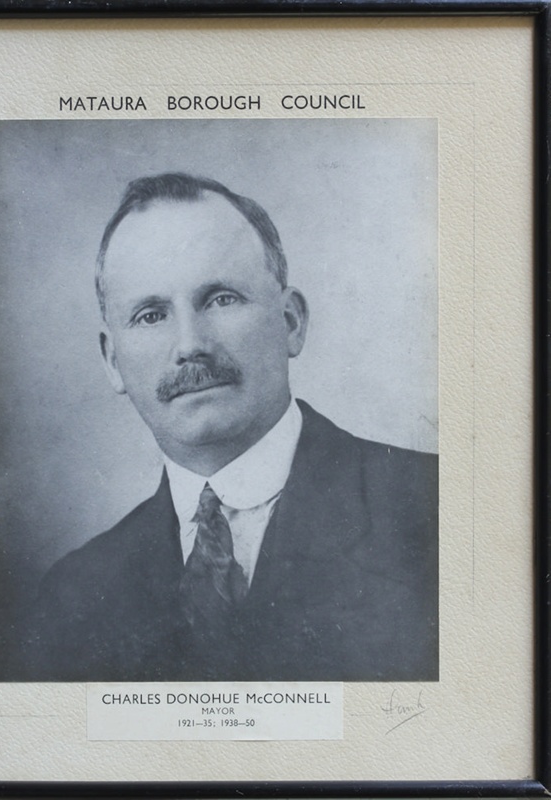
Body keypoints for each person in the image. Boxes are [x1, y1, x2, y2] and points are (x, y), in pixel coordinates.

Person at [26, 172, 438, 682]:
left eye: (220, 299)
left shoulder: (436, 512)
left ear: (291, 322)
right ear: (113, 362)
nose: (189, 344)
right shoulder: (72, 596)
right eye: (151, 315)